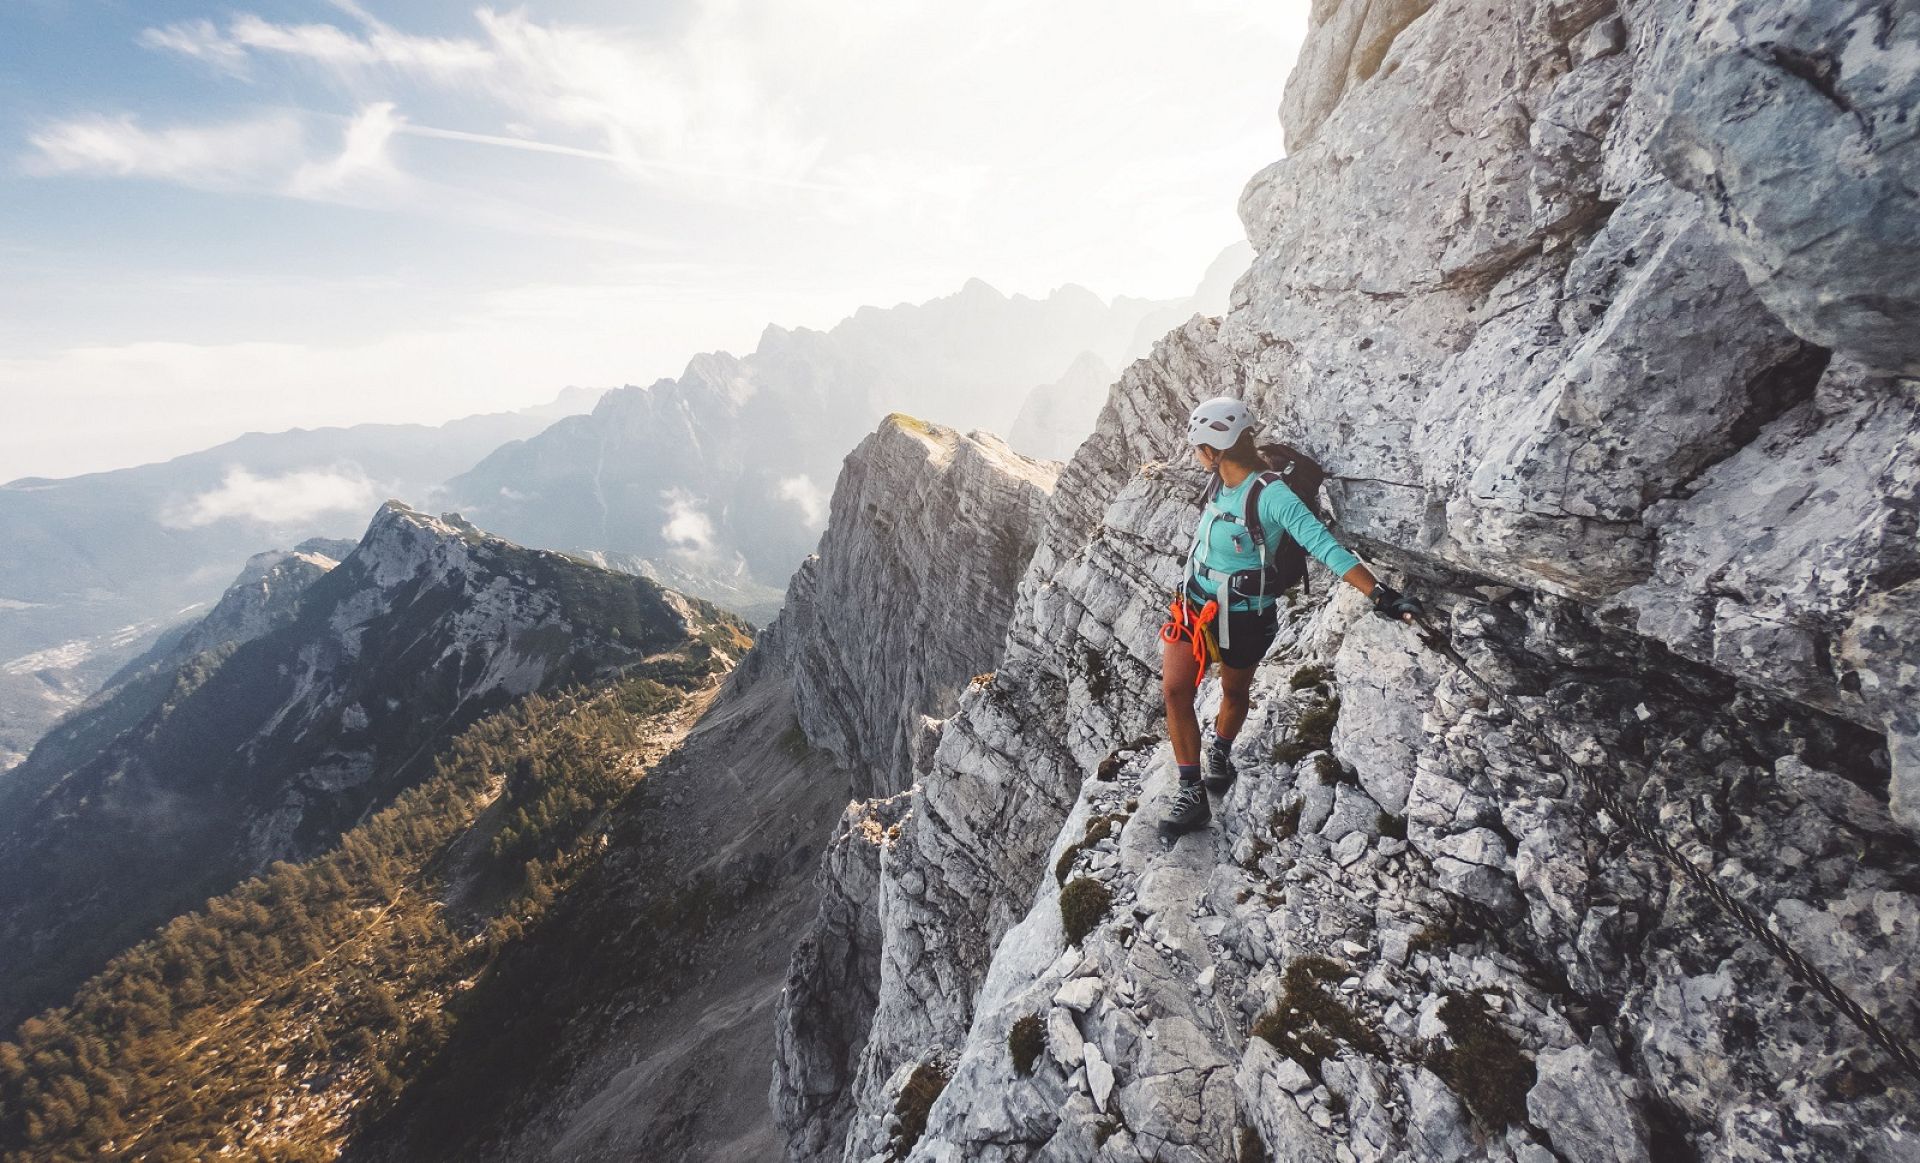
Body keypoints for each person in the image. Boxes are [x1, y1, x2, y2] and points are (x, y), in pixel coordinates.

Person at [1160, 397, 1423, 834]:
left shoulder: (1271, 495)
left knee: (1234, 691)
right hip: (1193, 608)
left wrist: (1381, 594)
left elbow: (1323, 545)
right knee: (1174, 691)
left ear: (1216, 450)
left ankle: (1221, 752)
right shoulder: (1217, 485)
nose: (1195, 455)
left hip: (1244, 615)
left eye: (1198, 447)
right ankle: (1191, 791)